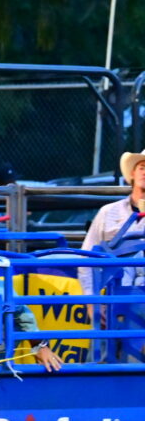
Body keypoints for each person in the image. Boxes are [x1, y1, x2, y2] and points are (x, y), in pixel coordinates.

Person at [81, 150, 145, 363]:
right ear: (133, 174)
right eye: (142, 167)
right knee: (101, 359)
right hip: (111, 299)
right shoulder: (108, 212)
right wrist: (92, 302)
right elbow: (86, 258)